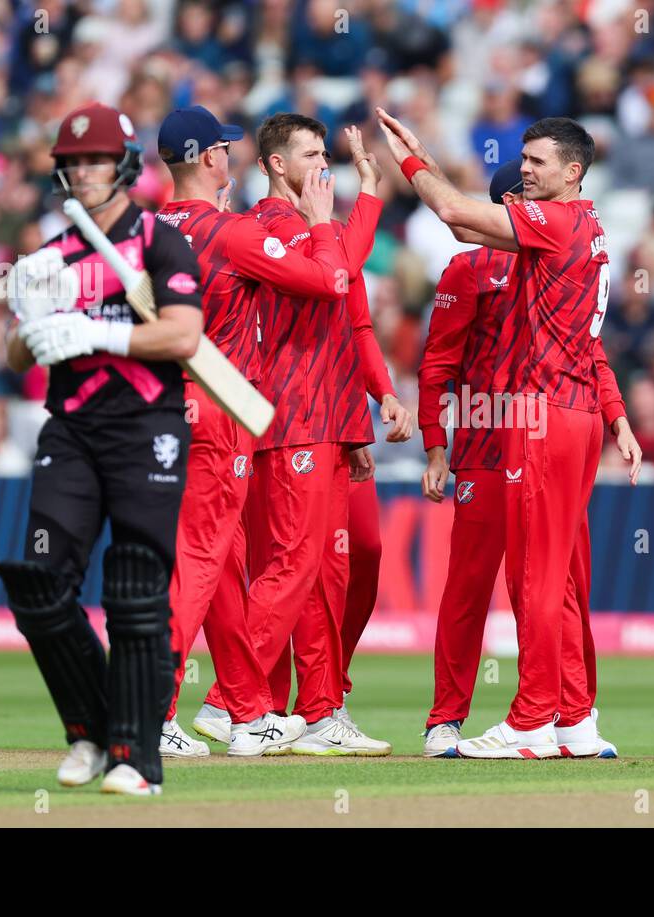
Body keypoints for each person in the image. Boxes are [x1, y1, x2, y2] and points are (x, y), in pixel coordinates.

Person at [377, 109, 641, 758]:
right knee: (552, 577)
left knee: (539, 577)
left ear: (572, 172)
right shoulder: (589, 228)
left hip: (542, 416)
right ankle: (575, 721)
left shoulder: (550, 225)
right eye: (521, 165)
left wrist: (414, 158)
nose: (525, 173)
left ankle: (531, 720)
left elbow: (453, 213)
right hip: (565, 416)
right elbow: (446, 356)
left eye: (537, 163)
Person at [0, 102, 204, 796]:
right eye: (74, 160)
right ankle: (89, 730)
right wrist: (32, 319)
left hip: (147, 428)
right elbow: (17, 349)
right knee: (39, 581)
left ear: (123, 165)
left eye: (96, 159)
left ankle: (136, 757)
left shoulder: (159, 240)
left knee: (136, 591)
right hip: (73, 430)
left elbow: (182, 337)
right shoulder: (50, 255)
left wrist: (97, 335)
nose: (85, 170)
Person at [153, 105, 367, 759]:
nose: (228, 156)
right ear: (212, 159)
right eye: (223, 148)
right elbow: (332, 281)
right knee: (198, 565)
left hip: (157, 409)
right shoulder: (227, 231)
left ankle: (247, 713)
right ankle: (151, 710)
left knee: (211, 567)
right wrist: (326, 223)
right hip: (217, 408)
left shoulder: (149, 227)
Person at [196, 112, 410, 756]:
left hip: (327, 413)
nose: (324, 165)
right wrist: (369, 198)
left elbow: (355, 319)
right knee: (295, 564)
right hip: (293, 413)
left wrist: (377, 396)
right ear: (275, 165)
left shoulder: (316, 231)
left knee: (325, 571)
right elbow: (337, 274)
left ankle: (320, 709)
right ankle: (228, 701)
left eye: (327, 154)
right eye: (311, 154)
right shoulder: (272, 225)